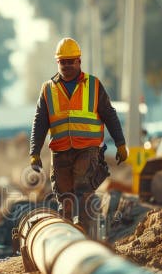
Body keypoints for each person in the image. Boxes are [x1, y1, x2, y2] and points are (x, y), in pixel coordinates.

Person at [29, 37, 127, 236]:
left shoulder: (93, 85)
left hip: (87, 150)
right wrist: (34, 152)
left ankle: (84, 235)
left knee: (83, 192)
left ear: (79, 61)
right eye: (62, 62)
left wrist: (120, 143)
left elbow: (109, 114)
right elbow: (40, 122)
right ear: (58, 62)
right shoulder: (48, 89)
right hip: (60, 152)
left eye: (70, 61)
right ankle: (66, 238)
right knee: (64, 198)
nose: (66, 66)